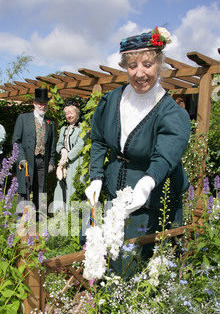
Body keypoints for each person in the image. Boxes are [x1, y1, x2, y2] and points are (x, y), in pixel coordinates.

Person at [85, 27, 191, 275]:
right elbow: (99, 139)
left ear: (160, 65)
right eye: (132, 65)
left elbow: (165, 155)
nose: (140, 73)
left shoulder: (171, 113)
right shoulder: (111, 101)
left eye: (147, 64)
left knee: (141, 267)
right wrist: (97, 176)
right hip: (116, 191)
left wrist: (146, 184)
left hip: (153, 200)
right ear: (125, 67)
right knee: (112, 255)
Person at [12, 88, 56, 219]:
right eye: (40, 103)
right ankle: (20, 217)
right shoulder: (23, 118)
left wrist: (52, 161)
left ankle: (39, 216)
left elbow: (52, 144)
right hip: (26, 160)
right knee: (25, 188)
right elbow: (16, 141)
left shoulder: (50, 122)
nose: (42, 106)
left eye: (44, 104)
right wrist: (20, 158)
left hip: (43, 160)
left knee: (41, 189)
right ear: (34, 104)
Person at [53, 100, 85, 212]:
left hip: (75, 163)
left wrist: (67, 158)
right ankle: (60, 213)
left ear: (77, 114)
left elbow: (79, 146)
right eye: (67, 114)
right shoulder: (63, 129)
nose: (69, 116)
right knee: (61, 186)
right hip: (63, 162)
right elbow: (59, 143)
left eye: (71, 113)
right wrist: (62, 150)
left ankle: (73, 214)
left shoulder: (82, 128)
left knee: (73, 187)